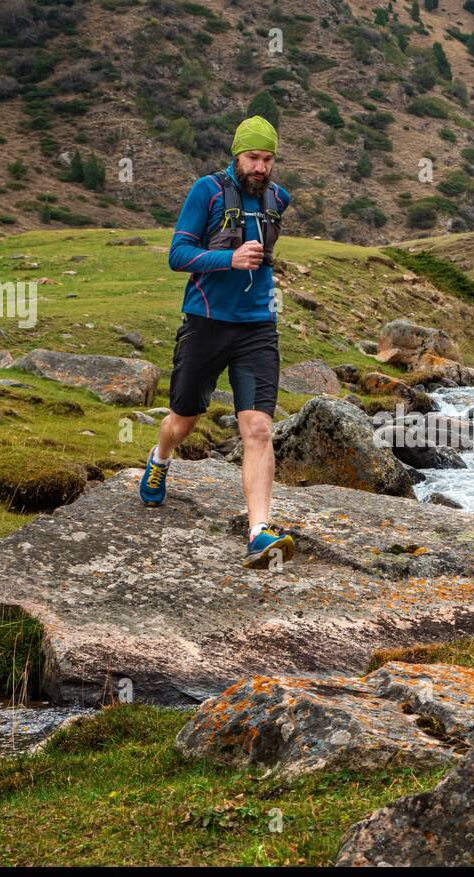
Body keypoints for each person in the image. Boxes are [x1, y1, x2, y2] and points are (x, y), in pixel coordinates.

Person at [139, 115, 296, 570]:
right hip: (206, 324)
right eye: (253, 157)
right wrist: (229, 258)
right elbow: (177, 255)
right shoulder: (204, 191)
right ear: (236, 155)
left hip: (257, 329)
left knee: (259, 428)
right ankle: (160, 458)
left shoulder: (277, 199)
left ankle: (259, 531)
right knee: (182, 421)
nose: (261, 167)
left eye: (268, 159)